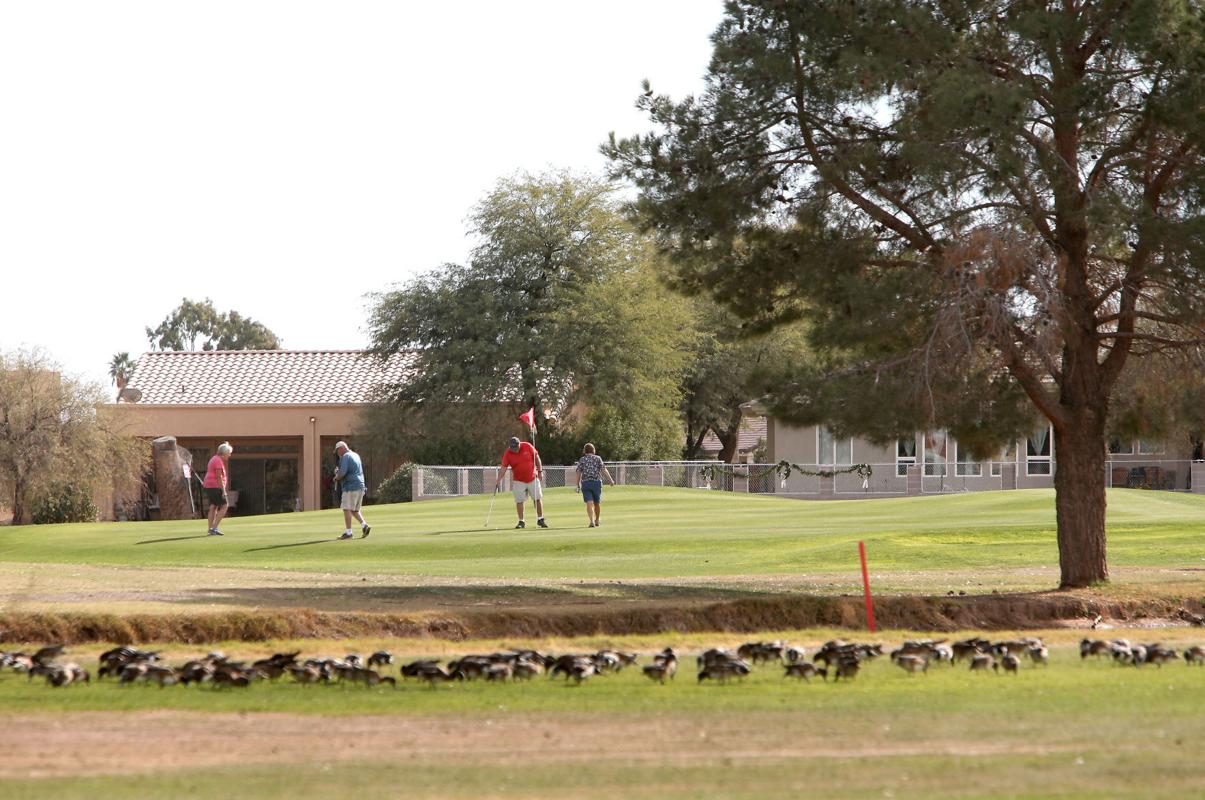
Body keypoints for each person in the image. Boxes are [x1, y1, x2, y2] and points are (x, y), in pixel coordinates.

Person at [496, 436, 547, 529]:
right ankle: (521, 521)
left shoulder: (527, 446)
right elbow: (503, 468)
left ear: (519, 444)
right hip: (518, 480)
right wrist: (498, 479)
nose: (514, 450)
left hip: (532, 477)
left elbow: (537, 458)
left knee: (537, 498)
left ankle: (540, 519)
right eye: (512, 448)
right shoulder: (508, 453)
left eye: (516, 447)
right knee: (519, 501)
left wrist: (540, 471)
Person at [334, 441, 371, 540]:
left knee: (346, 508)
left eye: (337, 451)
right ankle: (364, 526)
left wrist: (336, 476)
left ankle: (348, 533)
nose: (338, 453)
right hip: (360, 486)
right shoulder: (355, 455)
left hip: (351, 486)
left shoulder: (346, 456)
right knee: (354, 510)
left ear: (341, 448)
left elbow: (342, 473)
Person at [575, 443, 614, 528]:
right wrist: (610, 480)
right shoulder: (598, 458)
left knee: (589, 502)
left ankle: (591, 520)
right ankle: (597, 519)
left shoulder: (582, 459)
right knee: (597, 503)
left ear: (585, 451)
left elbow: (578, 472)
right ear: (593, 450)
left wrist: (577, 484)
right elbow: (604, 469)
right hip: (596, 483)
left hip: (586, 483)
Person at [202, 442, 233, 536]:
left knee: (213, 506)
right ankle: (214, 528)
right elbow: (219, 477)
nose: (229, 455)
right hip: (214, 486)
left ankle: (210, 529)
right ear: (224, 453)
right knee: (225, 505)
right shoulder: (218, 461)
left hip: (209, 485)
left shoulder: (214, 459)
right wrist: (224, 491)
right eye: (229, 453)